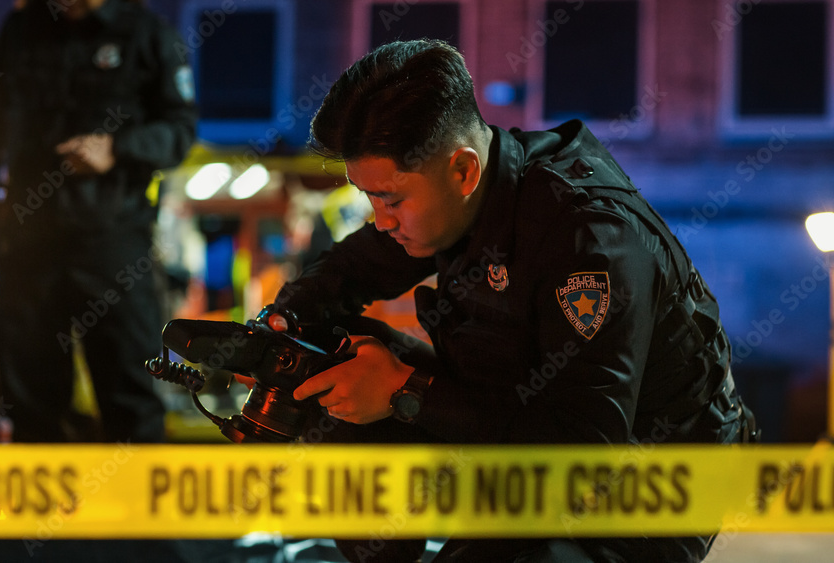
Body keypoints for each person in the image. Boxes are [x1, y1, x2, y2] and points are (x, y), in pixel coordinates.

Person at [263, 39, 757, 562]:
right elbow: (358, 265)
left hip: (648, 480)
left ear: (462, 170)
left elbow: (581, 456)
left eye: (391, 200)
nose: (381, 220)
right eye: (369, 198)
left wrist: (406, 391)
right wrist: (282, 320)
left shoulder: (587, 245)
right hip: (526, 429)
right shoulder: (462, 198)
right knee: (343, 355)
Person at [0, 0, 197, 442]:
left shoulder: (146, 33)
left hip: (113, 243)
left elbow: (180, 132)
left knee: (132, 398)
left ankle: (133, 510)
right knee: (29, 404)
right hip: (27, 245)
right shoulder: (23, 29)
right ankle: (38, 512)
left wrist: (117, 148)